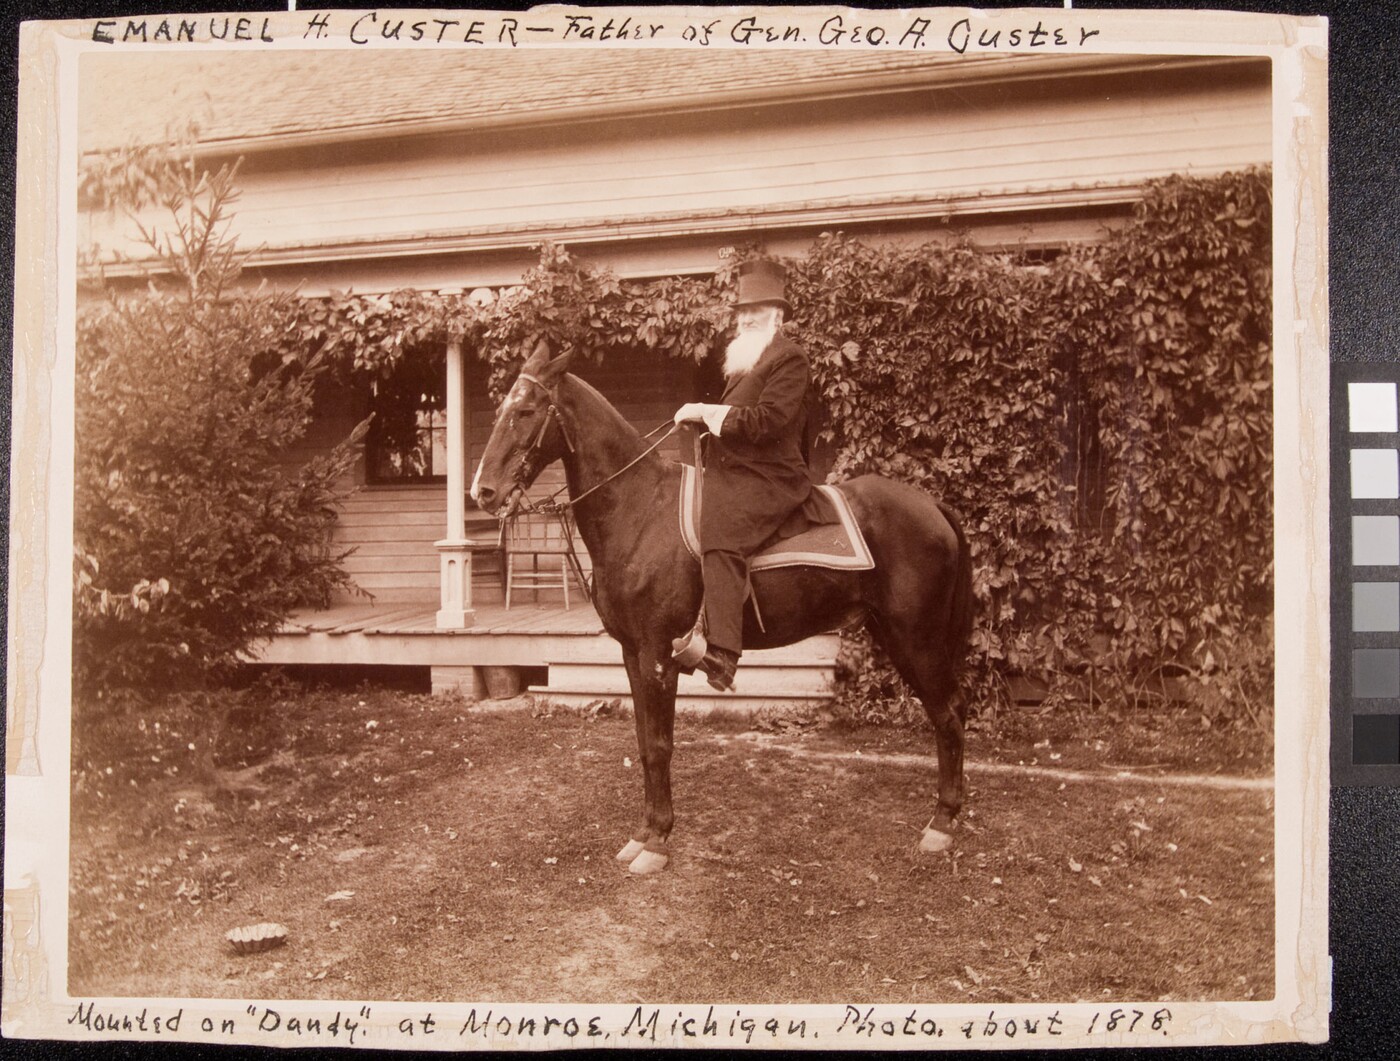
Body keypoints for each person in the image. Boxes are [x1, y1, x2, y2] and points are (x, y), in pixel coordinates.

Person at [671, 259, 813, 692]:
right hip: (740, 473)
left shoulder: (789, 357)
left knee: (721, 529)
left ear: (779, 315)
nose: (747, 317)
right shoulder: (744, 363)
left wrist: (706, 411)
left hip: (774, 478)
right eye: (742, 310)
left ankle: (724, 654)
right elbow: (738, 420)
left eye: (758, 309)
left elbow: (769, 421)